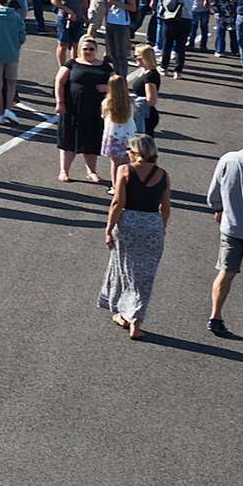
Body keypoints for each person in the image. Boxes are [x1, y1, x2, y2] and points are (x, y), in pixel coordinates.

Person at [99, 135, 171, 339]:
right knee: (144, 276)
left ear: (137, 151)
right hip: (152, 225)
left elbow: (117, 203)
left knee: (124, 269)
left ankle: (123, 313)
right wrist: (162, 227)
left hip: (128, 225)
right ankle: (136, 322)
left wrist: (108, 228)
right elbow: (165, 206)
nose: (127, 154)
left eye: (129, 150)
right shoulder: (163, 175)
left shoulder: (125, 171)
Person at [208, 124, 243, 339]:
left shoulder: (228, 159)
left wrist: (218, 208)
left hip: (231, 227)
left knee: (225, 272)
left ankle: (215, 316)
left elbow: (214, 191)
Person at [56, 38, 113, 183]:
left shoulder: (105, 67)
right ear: (80, 49)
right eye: (85, 49)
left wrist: (109, 88)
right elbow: (59, 82)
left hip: (96, 111)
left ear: (96, 50)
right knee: (69, 140)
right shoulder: (72, 64)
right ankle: (64, 171)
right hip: (72, 109)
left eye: (91, 49)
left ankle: (92, 171)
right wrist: (60, 102)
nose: (88, 52)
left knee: (91, 141)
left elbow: (119, 85)